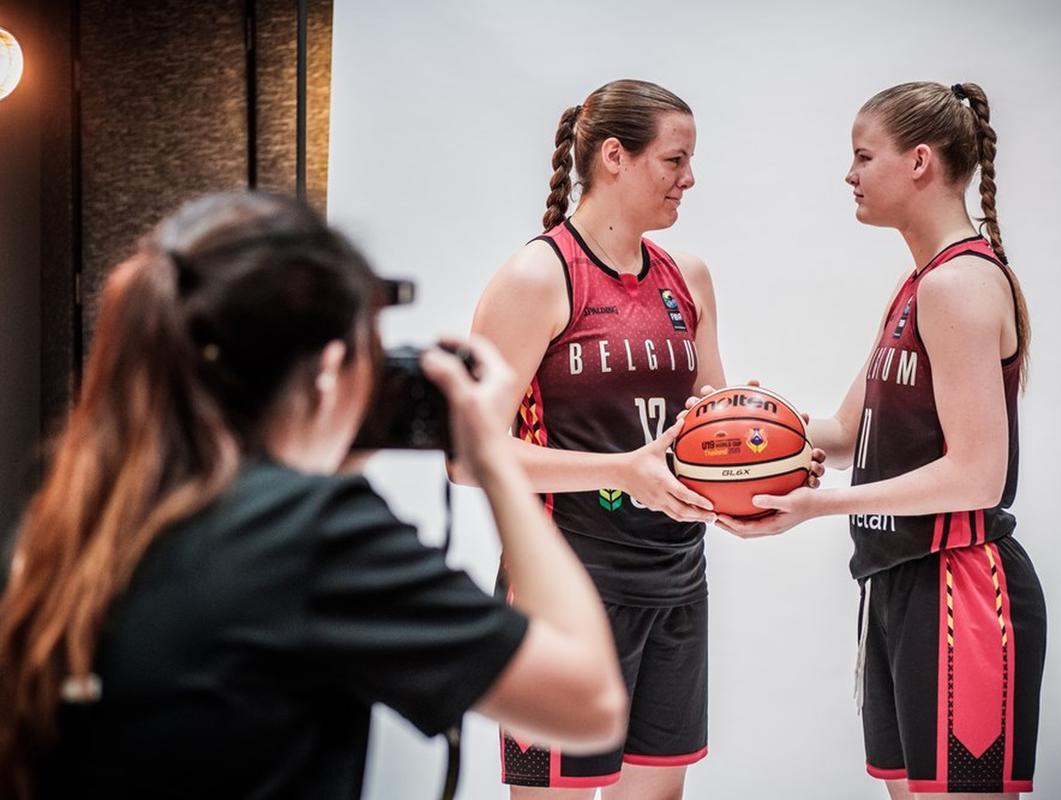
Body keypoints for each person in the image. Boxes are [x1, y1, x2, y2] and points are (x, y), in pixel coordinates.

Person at [0, 191, 627, 800]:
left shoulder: (69, 527)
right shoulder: (312, 533)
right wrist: (491, 455)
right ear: (328, 373)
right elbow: (590, 702)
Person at [715, 82, 1047, 797]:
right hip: (896, 581)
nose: (850, 174)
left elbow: (977, 475)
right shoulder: (918, 284)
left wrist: (818, 506)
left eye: (864, 156)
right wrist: (737, 426)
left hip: (959, 587)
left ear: (919, 162)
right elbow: (843, 434)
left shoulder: (958, 286)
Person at [464, 79, 729, 799]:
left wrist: (763, 455)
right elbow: (468, 455)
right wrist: (621, 470)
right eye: (674, 159)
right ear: (615, 156)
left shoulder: (688, 278)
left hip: (677, 581)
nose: (689, 178)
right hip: (564, 587)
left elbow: (706, 429)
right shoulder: (537, 276)